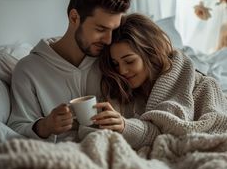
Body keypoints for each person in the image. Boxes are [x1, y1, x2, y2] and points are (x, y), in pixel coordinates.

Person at [8, 0, 131, 142]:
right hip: (60, 158)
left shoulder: (111, 60)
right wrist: (45, 126)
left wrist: (122, 122)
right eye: (101, 29)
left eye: (113, 30)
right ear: (74, 18)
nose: (109, 40)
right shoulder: (28, 70)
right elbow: (16, 127)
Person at [89, 13, 227, 151]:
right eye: (116, 64)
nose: (122, 71)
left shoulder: (203, 85)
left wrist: (126, 126)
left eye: (129, 61)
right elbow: (155, 133)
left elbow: (212, 125)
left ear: (150, 53)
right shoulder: (123, 90)